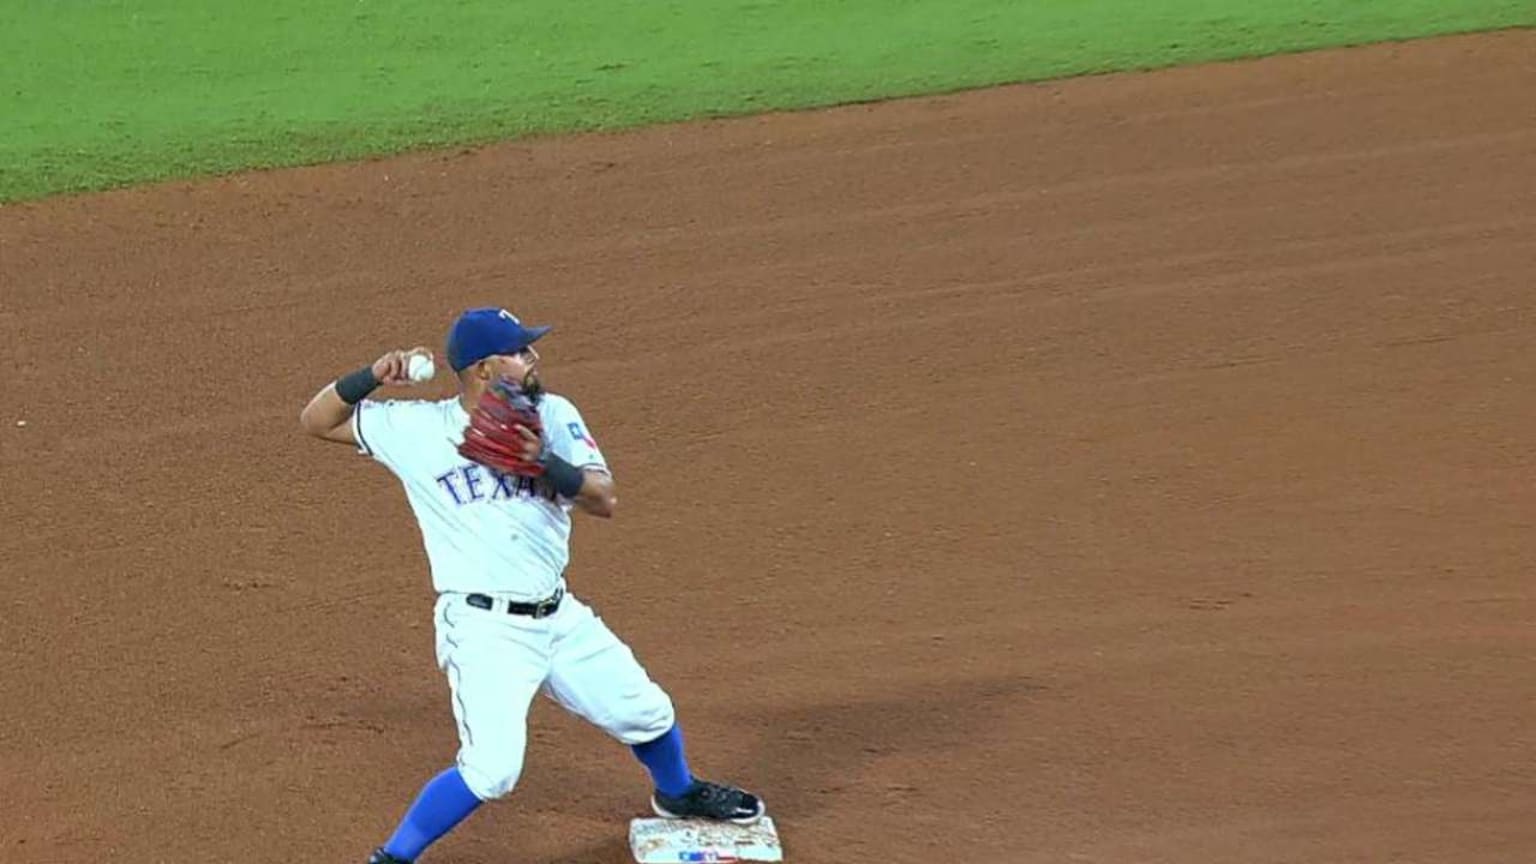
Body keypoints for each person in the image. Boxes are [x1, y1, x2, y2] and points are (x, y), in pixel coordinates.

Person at [298, 306, 764, 864]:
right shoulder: (417, 429)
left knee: (649, 713)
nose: (533, 357)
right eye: (519, 351)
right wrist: (372, 376)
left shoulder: (555, 414)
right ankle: (393, 858)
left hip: (559, 617)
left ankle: (677, 793)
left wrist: (543, 462)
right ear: (485, 370)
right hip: (485, 628)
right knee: (493, 771)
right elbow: (317, 421)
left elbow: (603, 498)